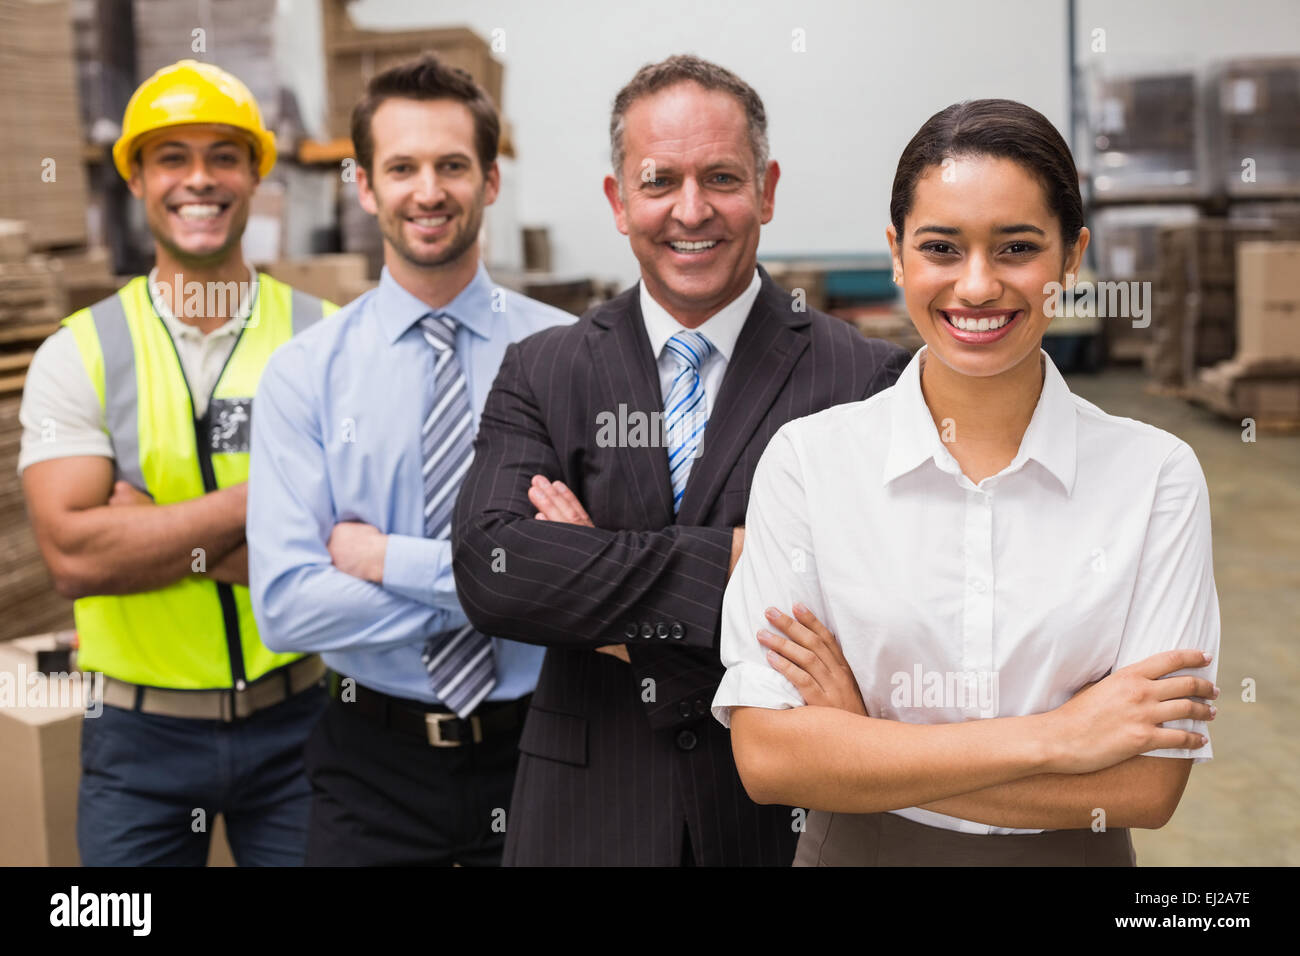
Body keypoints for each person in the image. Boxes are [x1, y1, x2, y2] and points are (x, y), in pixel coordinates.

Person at [713, 98, 1221, 867]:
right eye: (941, 248)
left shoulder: (1155, 478)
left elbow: (1145, 788)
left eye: (1017, 247)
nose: (977, 286)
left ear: (1073, 256)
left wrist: (861, 751)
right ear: (897, 254)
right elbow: (771, 760)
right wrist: (1062, 738)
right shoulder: (809, 465)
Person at [452, 54, 909, 866]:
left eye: (722, 178)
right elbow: (495, 571)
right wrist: (746, 559)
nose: (690, 211)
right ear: (618, 199)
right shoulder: (545, 370)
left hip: (780, 822)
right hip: (589, 818)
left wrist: (598, 594)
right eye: (659, 180)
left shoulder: (863, 377)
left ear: (766, 189)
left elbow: (870, 607)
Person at [247, 54, 573, 866]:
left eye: (452, 165)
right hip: (371, 768)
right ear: (365, 185)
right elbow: (289, 608)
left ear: (490, 181)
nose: (428, 190)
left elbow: (583, 580)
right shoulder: (303, 373)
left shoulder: (569, 359)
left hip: (549, 749)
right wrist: (503, 587)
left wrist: (384, 559)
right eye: (402, 167)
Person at [19, 60, 335, 866]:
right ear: (137, 178)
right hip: (136, 744)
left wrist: (148, 528)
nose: (200, 179)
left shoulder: (329, 340)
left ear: (256, 172)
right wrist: (262, 506)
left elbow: (350, 554)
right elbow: (73, 556)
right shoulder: (78, 352)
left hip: (301, 727)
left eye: (224, 155)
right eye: (172, 157)